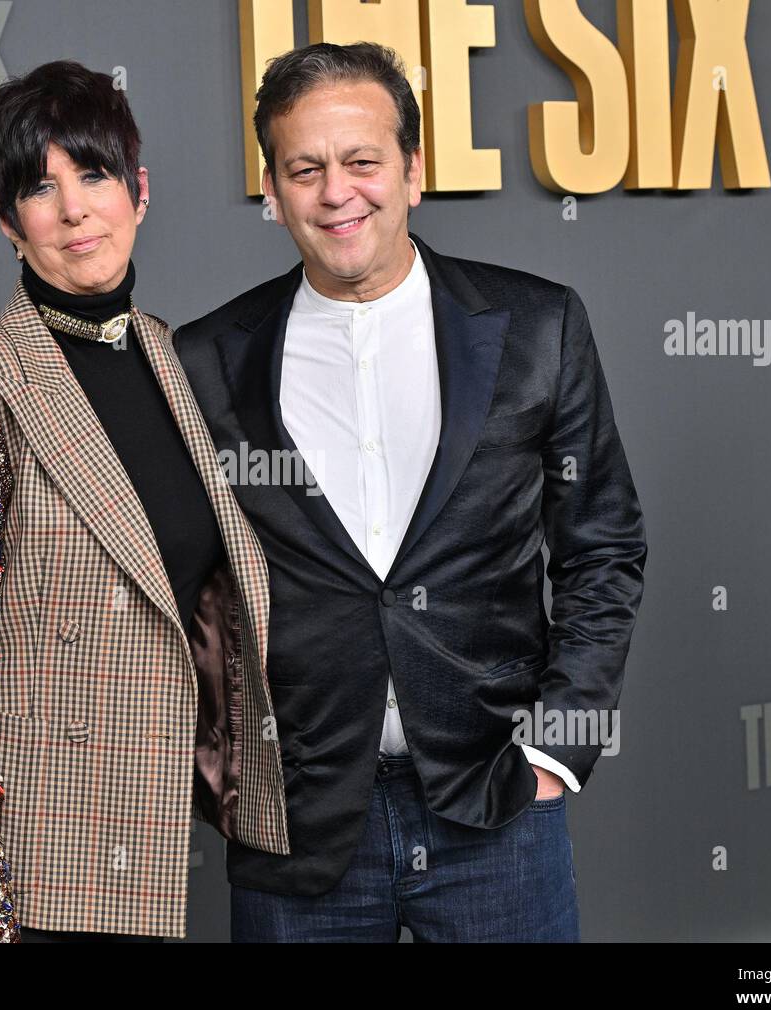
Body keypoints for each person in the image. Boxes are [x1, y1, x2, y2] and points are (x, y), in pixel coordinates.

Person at [174, 42, 648, 942]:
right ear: (271, 191)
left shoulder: (538, 327)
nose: (336, 192)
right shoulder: (205, 358)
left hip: (496, 809)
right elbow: (176, 587)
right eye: (304, 168)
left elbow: (603, 549)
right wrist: (223, 773)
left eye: (362, 161)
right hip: (296, 832)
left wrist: (555, 748)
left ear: (413, 172)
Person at [0, 60, 289, 943]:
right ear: (8, 224)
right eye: (38, 188)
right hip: (36, 873)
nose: (73, 210)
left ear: (139, 190)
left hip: (160, 848)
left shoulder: (185, 361)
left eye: (92, 174)